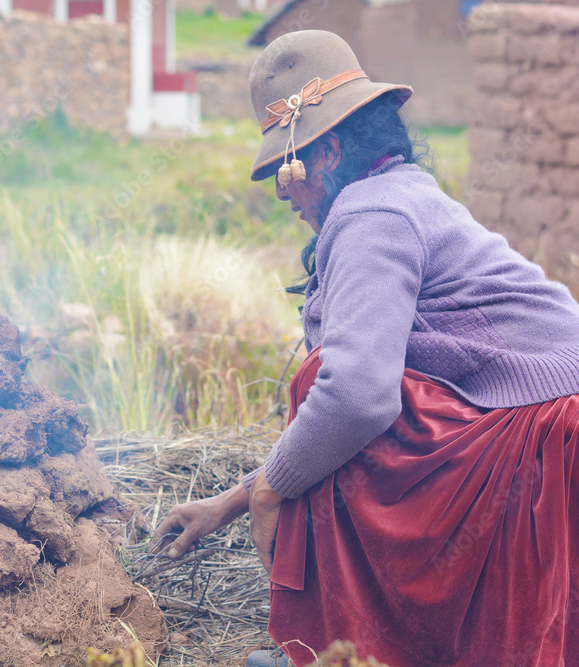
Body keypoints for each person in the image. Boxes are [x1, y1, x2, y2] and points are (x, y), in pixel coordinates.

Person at [152, 30, 579, 667]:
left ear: (325, 153)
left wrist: (271, 489)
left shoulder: (371, 215)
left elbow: (354, 396)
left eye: (286, 169)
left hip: (547, 444)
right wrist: (233, 500)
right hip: (542, 429)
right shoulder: (397, 194)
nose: (282, 193)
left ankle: (346, 648)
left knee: (326, 395)